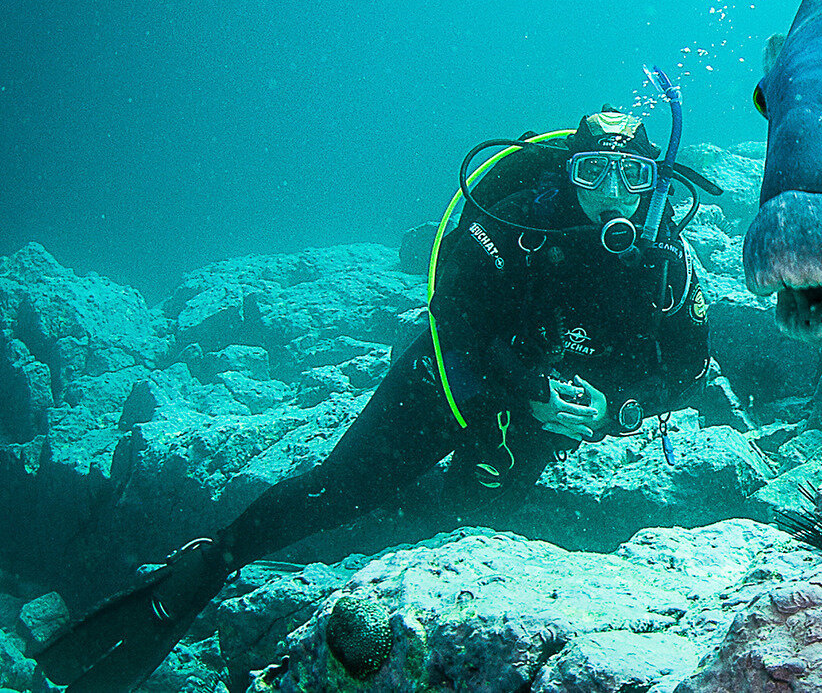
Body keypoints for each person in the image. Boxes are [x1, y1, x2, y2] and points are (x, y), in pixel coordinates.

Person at [37, 105, 713, 692]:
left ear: (656, 180)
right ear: (567, 170)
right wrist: (506, 393)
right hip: (450, 385)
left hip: (537, 426)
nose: (612, 193)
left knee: (474, 526)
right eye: (593, 171)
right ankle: (209, 563)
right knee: (341, 486)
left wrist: (611, 411)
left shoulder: (664, 261)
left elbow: (686, 368)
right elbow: (454, 316)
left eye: (633, 175)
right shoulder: (509, 224)